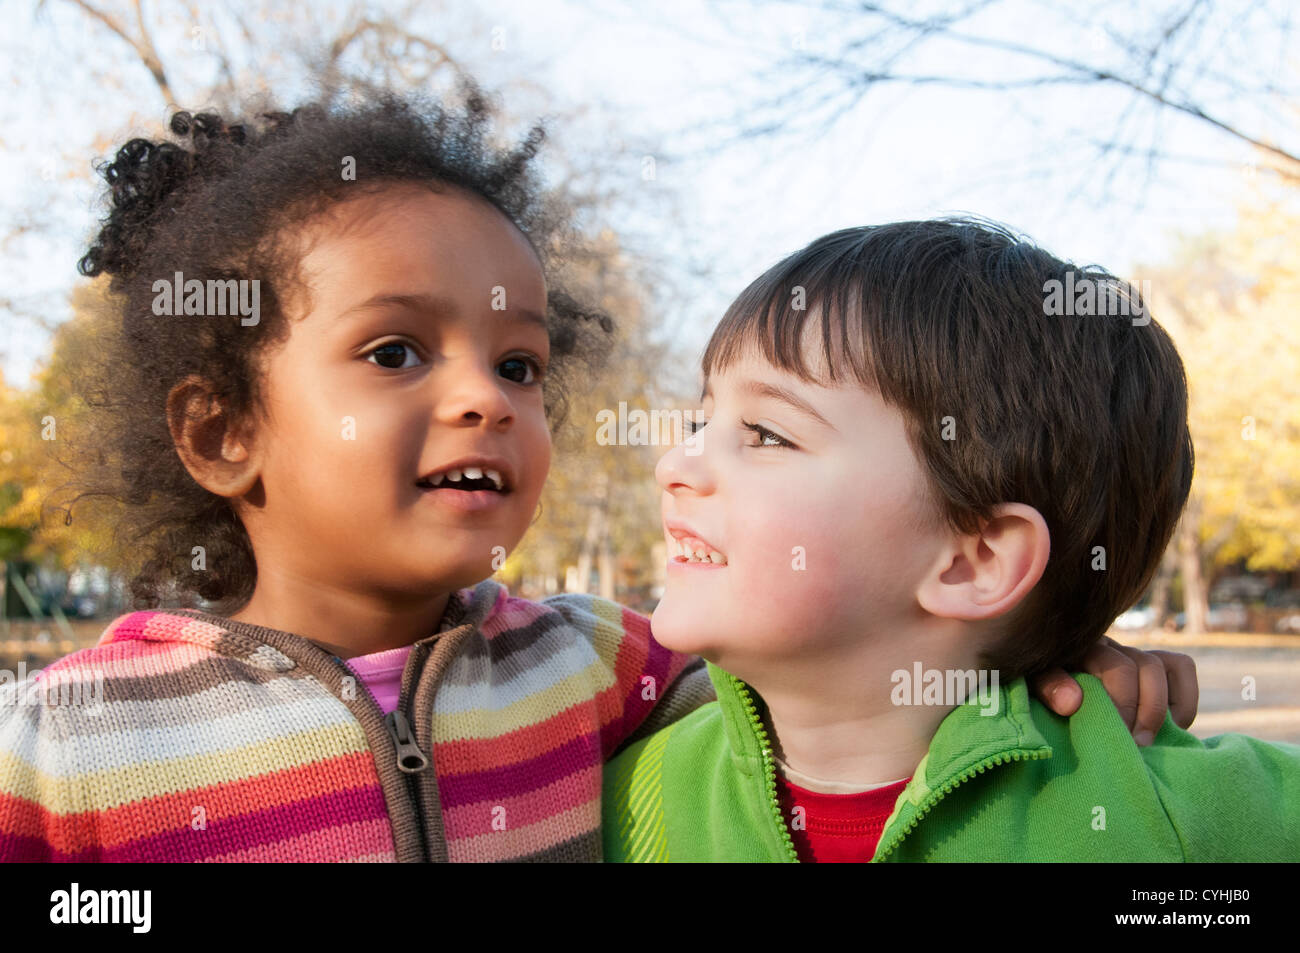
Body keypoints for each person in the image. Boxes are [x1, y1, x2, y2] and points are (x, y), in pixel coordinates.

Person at [0, 91, 1193, 862]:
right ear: (222, 434)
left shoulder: (591, 662)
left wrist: (1048, 644)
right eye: (395, 350)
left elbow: (856, 656)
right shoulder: (68, 740)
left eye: (519, 361)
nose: (485, 396)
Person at [603, 218, 1300, 862]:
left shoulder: (1169, 810)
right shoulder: (624, 804)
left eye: (766, 433)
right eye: (704, 421)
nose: (675, 464)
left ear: (977, 559)